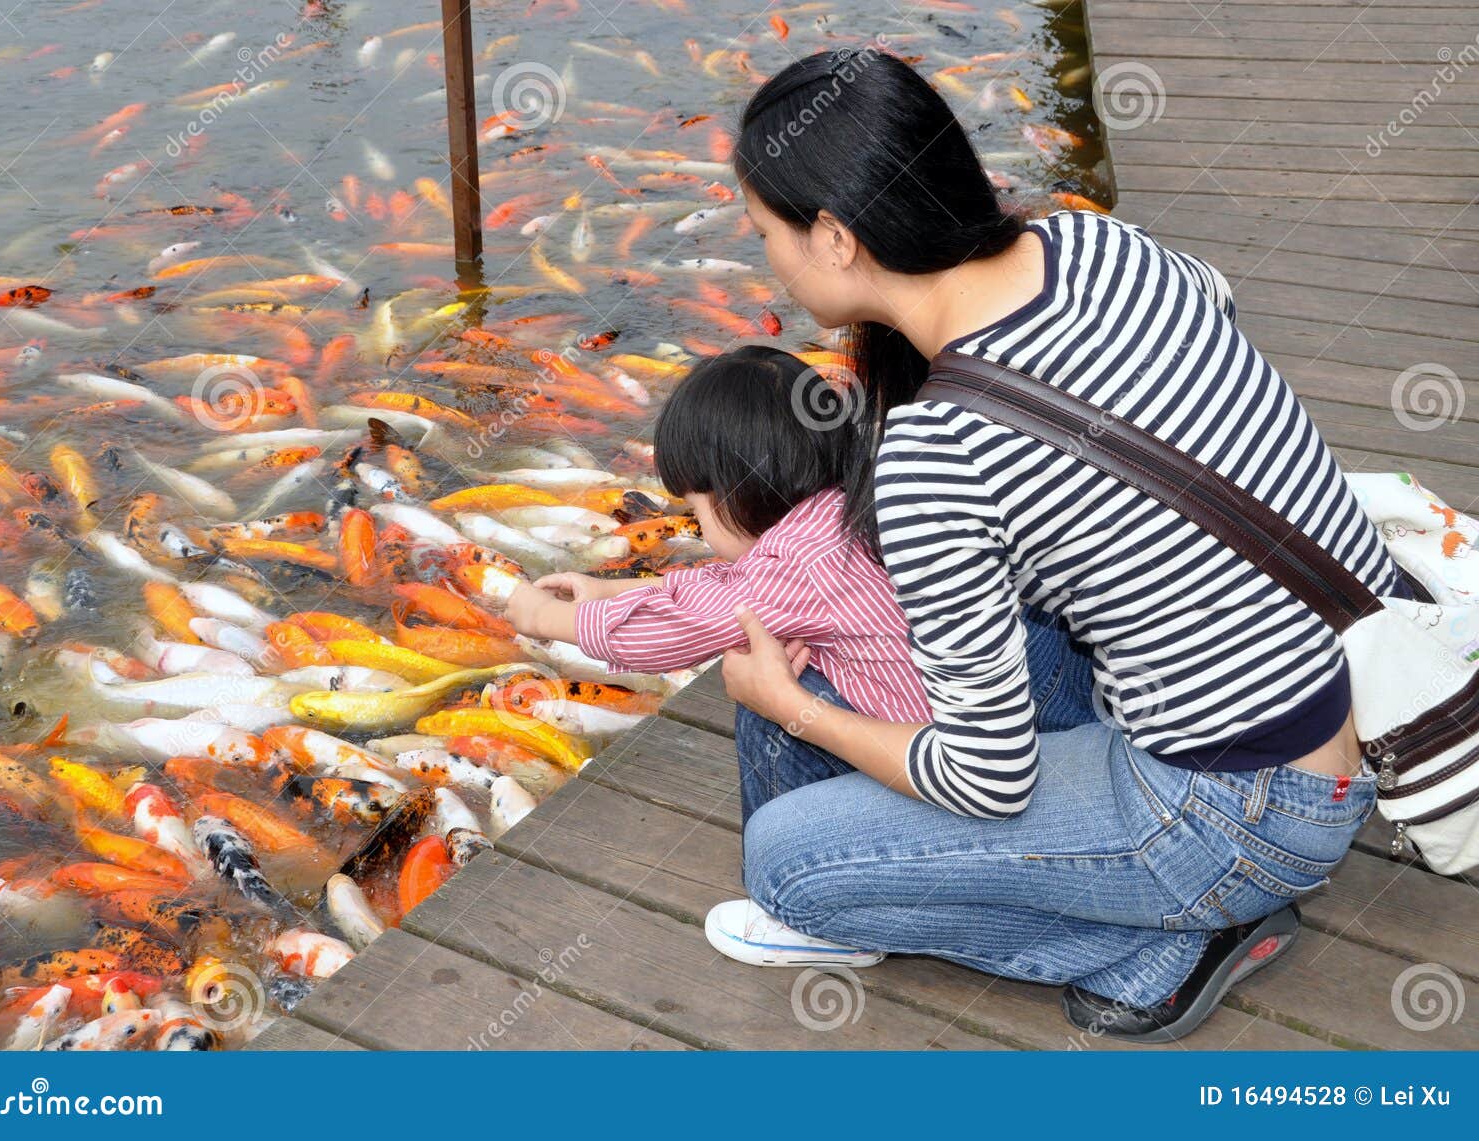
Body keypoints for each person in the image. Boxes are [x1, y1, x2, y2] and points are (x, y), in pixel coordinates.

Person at [710, 48, 1394, 1042]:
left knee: (788, 863)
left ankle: (1165, 936)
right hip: (1335, 700)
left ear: (835, 236)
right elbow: (1212, 319)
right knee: (956, 638)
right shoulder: (1090, 245)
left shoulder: (936, 450)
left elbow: (984, 779)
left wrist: (790, 712)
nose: (763, 255)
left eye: (765, 232)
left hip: (1235, 820)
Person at [505, 345, 1096, 833]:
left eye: (697, 508)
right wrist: (608, 593)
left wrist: (543, 618)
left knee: (766, 703)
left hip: (939, 752)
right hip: (1008, 703)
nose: (699, 527)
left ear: (735, 492)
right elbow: (728, 583)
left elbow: (673, 634)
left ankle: (787, 858)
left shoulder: (797, 565)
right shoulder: (840, 505)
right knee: (781, 673)